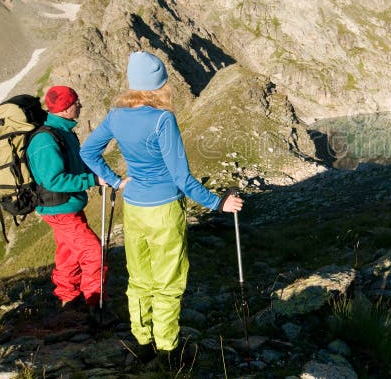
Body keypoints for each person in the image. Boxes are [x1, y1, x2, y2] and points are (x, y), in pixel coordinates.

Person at [80, 51, 243, 358]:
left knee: (139, 278)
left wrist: (116, 181)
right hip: (165, 209)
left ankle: (142, 344)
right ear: (158, 85)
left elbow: (88, 153)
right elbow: (182, 178)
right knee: (167, 281)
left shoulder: (116, 116)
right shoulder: (162, 120)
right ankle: (168, 350)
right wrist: (219, 203)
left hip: (134, 208)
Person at [27, 85, 119, 321]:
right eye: (76, 102)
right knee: (93, 252)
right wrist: (92, 179)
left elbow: (75, 166)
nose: (80, 105)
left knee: (68, 255)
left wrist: (100, 178)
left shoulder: (64, 132)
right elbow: (54, 180)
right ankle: (94, 303)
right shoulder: (46, 140)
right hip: (61, 209)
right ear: (65, 108)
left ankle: (68, 300)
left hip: (67, 207)